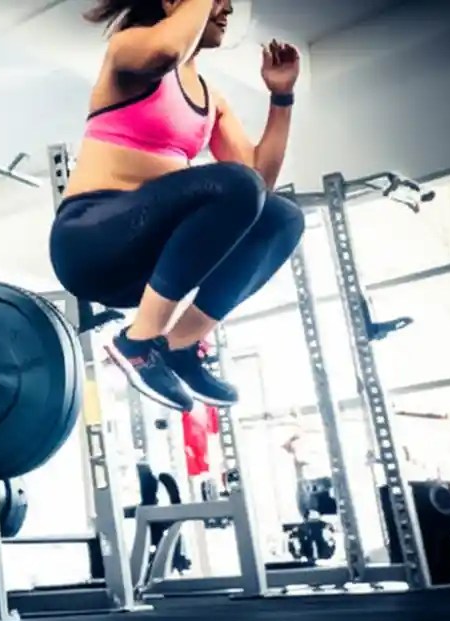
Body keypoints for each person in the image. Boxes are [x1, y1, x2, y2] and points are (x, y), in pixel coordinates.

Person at [49, 0, 307, 413]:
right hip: (89, 240)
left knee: (282, 217)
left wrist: (282, 96)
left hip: (143, 270)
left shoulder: (211, 99)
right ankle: (136, 343)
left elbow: (258, 185)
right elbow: (166, 50)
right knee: (236, 186)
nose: (225, 9)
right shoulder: (129, 48)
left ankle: (179, 344)